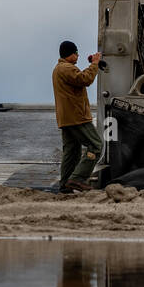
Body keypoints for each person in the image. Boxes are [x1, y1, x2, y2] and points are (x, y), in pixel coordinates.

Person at [53, 39, 102, 193]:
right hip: (77, 117)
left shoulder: (59, 69)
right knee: (96, 146)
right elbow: (84, 79)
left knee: (71, 152)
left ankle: (65, 184)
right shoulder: (66, 68)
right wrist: (95, 64)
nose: (78, 55)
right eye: (76, 52)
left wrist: (91, 65)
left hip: (66, 118)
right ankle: (77, 179)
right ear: (70, 54)